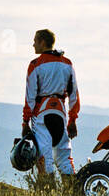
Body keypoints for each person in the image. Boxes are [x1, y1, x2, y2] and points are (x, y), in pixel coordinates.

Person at [22, 28, 79, 182]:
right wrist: (73, 120)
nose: (33, 45)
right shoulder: (67, 64)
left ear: (42, 42)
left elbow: (30, 97)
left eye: (35, 41)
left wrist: (25, 122)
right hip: (61, 112)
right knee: (64, 155)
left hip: (41, 114)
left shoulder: (35, 64)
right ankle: (73, 194)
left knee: (44, 155)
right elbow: (74, 95)